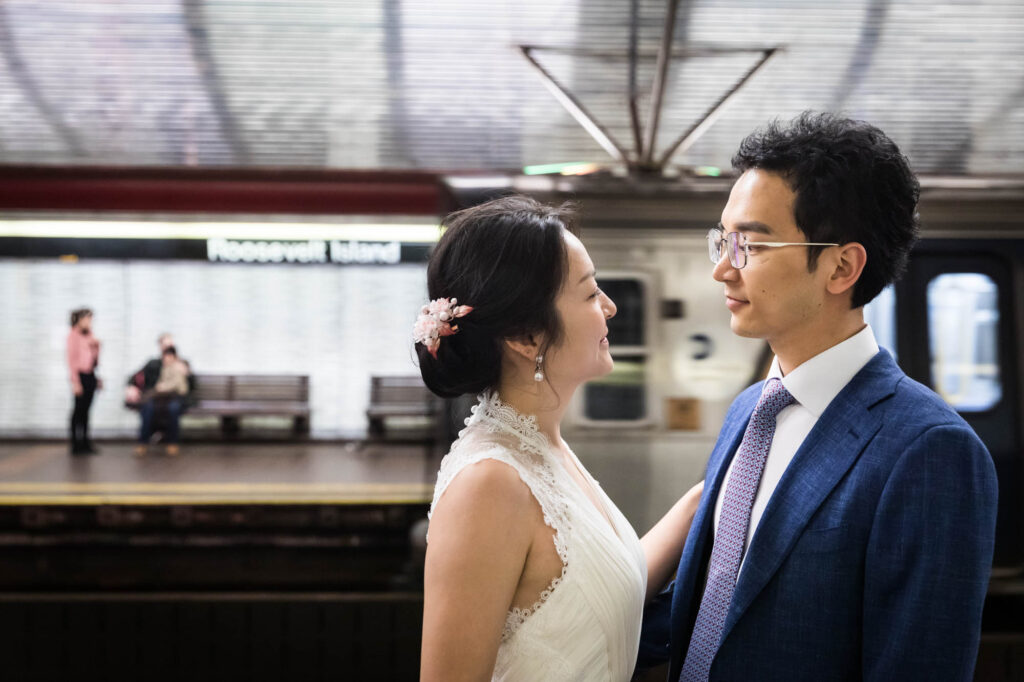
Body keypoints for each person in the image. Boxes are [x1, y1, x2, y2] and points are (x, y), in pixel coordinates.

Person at [637, 112, 998, 681]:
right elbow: (716, 603)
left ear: (841, 266)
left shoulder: (928, 450)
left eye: (749, 246)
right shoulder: (749, 411)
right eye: (721, 241)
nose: (722, 271)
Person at [418, 196, 704, 681]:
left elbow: (610, 585)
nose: (610, 307)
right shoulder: (490, 483)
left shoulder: (541, 449)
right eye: (591, 294)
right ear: (527, 337)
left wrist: (710, 498)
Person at [135, 346, 189, 457]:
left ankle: (172, 443)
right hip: (162, 397)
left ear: (174, 357)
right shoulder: (160, 366)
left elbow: (177, 385)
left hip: (175, 397)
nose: (167, 359)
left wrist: (161, 387)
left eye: (169, 357)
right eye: (165, 357)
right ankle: (143, 442)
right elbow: (138, 375)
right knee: (147, 409)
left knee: (173, 410)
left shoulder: (179, 366)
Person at [66, 307, 102, 455]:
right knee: (78, 411)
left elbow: (94, 360)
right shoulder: (73, 336)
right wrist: (75, 382)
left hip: (90, 375)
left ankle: (86, 443)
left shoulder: (90, 335)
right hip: (80, 376)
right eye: (87, 319)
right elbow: (72, 361)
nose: (90, 322)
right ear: (80, 320)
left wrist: (97, 348)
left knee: (87, 411)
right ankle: (75, 444)